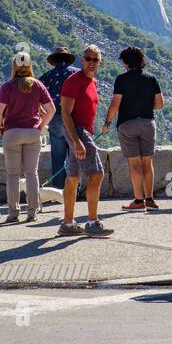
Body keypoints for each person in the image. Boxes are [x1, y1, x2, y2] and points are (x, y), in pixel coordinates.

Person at [57, 45, 113, 237]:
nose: (91, 62)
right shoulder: (74, 81)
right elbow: (65, 112)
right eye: (88, 58)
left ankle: (67, 224)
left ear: (99, 62)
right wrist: (76, 140)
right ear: (82, 60)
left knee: (73, 177)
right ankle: (91, 222)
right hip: (77, 131)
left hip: (82, 132)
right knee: (97, 174)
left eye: (95, 60)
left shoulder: (92, 82)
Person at [0, 51, 55, 223]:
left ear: (15, 66)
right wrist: (41, 126)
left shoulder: (7, 87)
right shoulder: (38, 85)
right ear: (29, 66)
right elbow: (51, 110)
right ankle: (32, 212)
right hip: (32, 132)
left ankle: (13, 213)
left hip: (12, 132)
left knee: (12, 174)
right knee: (31, 173)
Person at [104, 46, 164, 211]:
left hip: (127, 124)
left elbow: (115, 104)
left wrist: (107, 123)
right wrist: (145, 105)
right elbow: (160, 104)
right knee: (147, 162)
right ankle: (150, 199)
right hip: (147, 123)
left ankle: (138, 201)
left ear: (126, 63)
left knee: (134, 163)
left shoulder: (121, 79)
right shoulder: (151, 78)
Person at [39, 47, 79, 190]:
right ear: (67, 60)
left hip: (55, 117)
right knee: (74, 155)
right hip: (74, 117)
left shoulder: (46, 77)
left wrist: (43, 114)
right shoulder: (75, 75)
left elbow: (36, 96)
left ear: (54, 61)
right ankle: (75, 189)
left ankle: (58, 189)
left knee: (57, 155)